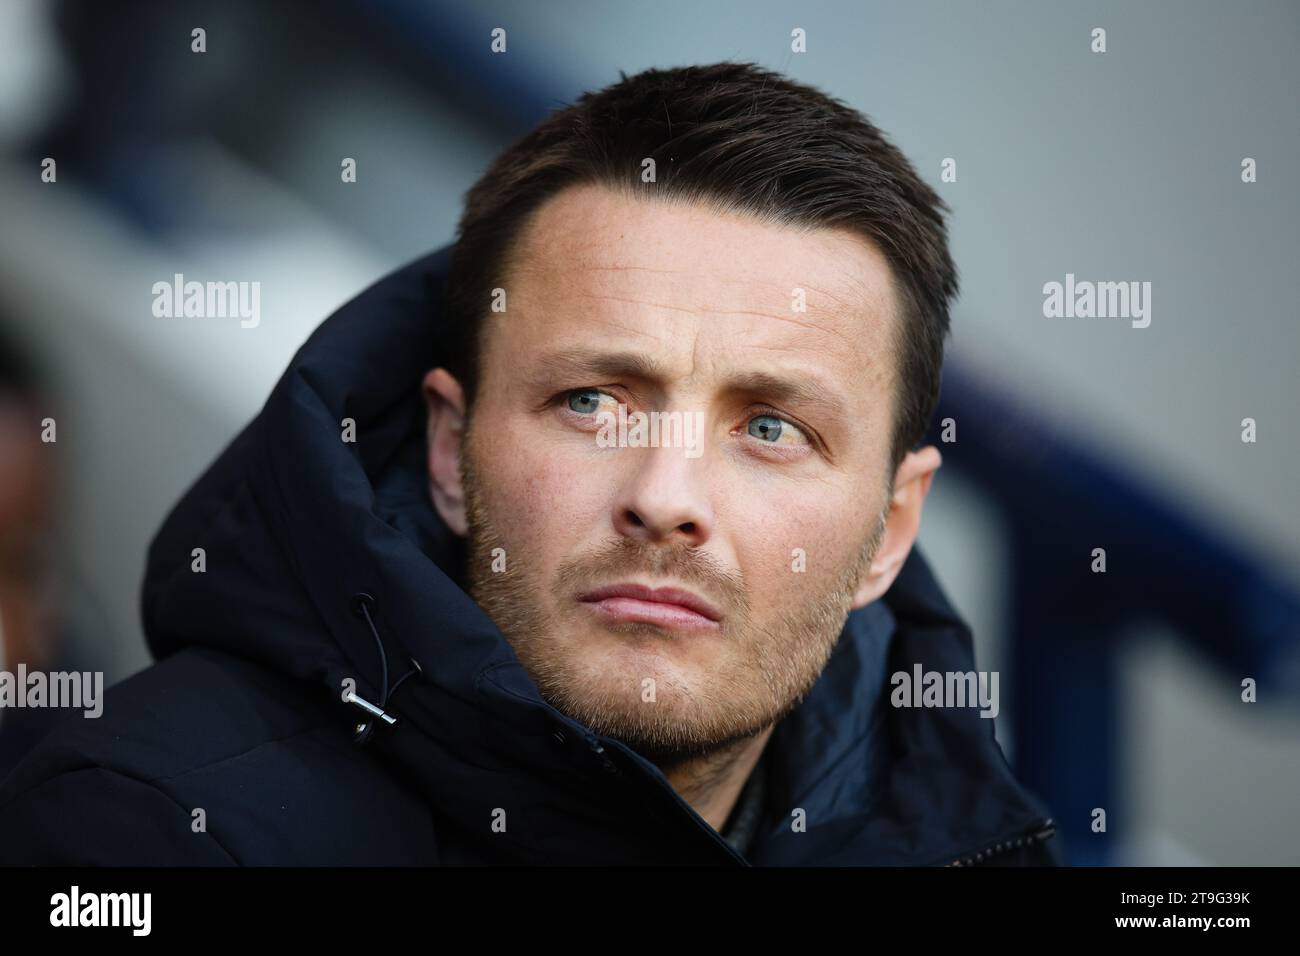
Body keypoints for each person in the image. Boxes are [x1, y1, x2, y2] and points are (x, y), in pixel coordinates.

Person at [0, 62, 1060, 865]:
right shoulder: (146, 833)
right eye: (592, 401)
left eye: (772, 428)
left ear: (888, 529)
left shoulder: (969, 847)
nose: (665, 497)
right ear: (451, 450)